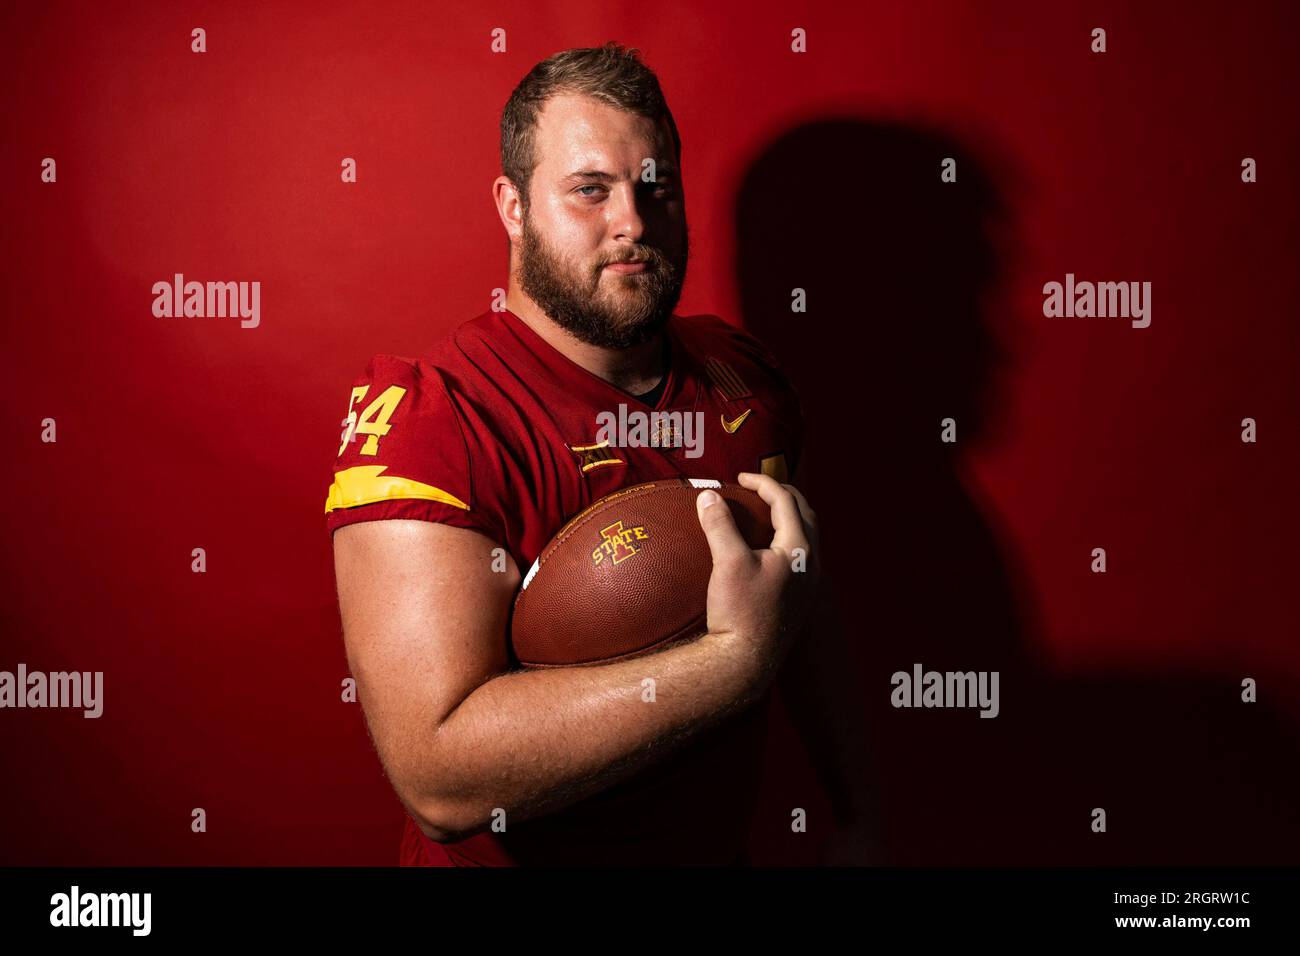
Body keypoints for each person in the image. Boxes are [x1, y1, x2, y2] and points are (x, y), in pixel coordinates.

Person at [325, 42, 875, 865]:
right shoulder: (437, 415)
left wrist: (858, 811)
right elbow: (439, 776)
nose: (632, 221)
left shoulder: (740, 375)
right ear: (513, 207)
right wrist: (733, 661)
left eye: (656, 187)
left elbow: (802, 598)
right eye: (590, 190)